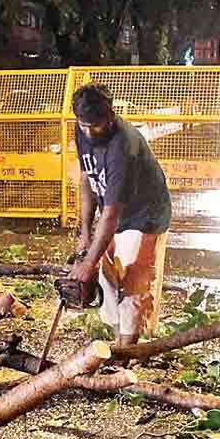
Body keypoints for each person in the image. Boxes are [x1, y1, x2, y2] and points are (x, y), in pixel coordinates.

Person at [66, 83, 172, 345]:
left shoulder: (122, 146)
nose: (89, 132)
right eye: (83, 125)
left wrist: (87, 264)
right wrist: (84, 235)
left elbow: (112, 214)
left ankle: (127, 352)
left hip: (144, 215)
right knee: (107, 279)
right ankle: (119, 340)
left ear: (110, 116)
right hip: (114, 214)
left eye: (95, 125)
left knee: (132, 277)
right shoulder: (83, 130)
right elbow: (87, 178)